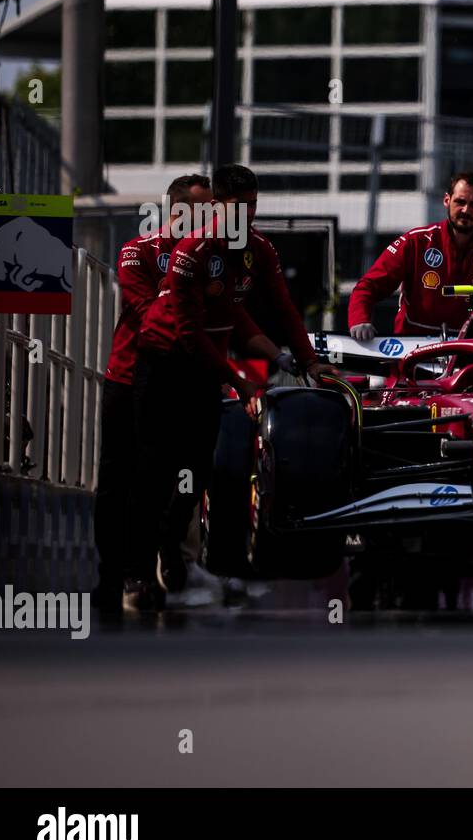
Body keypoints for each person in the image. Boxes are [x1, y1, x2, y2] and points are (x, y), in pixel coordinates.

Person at [129, 164, 334, 601]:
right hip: (163, 363)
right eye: (241, 207)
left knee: (198, 467)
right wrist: (238, 381)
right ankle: (139, 576)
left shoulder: (259, 249)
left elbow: (283, 310)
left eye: (255, 206)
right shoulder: (192, 249)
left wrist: (308, 361)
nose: (250, 215)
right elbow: (188, 335)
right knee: (153, 468)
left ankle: (170, 548)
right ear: (219, 206)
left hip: (206, 367)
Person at [93, 173, 211, 612]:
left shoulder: (212, 257)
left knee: (177, 477)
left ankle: (161, 564)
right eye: (204, 210)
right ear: (179, 212)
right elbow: (151, 316)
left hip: (182, 386)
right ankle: (116, 576)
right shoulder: (137, 253)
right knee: (117, 480)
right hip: (128, 379)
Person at [348, 172, 473, 339]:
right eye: (460, 202)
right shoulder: (416, 242)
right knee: (376, 384)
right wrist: (359, 320)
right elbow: (367, 287)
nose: (466, 210)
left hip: (471, 358)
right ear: (446, 200)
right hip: (412, 354)